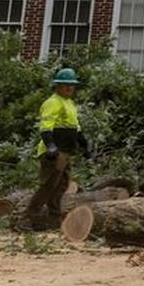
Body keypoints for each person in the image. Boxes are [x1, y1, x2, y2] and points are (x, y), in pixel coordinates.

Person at [25, 67, 86, 228]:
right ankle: (28, 218)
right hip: (54, 152)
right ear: (57, 86)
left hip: (66, 151)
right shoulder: (52, 102)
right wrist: (50, 145)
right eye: (66, 85)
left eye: (72, 85)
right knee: (48, 185)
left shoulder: (70, 103)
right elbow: (46, 127)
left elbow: (75, 126)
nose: (69, 88)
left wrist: (83, 142)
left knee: (62, 186)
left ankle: (54, 219)